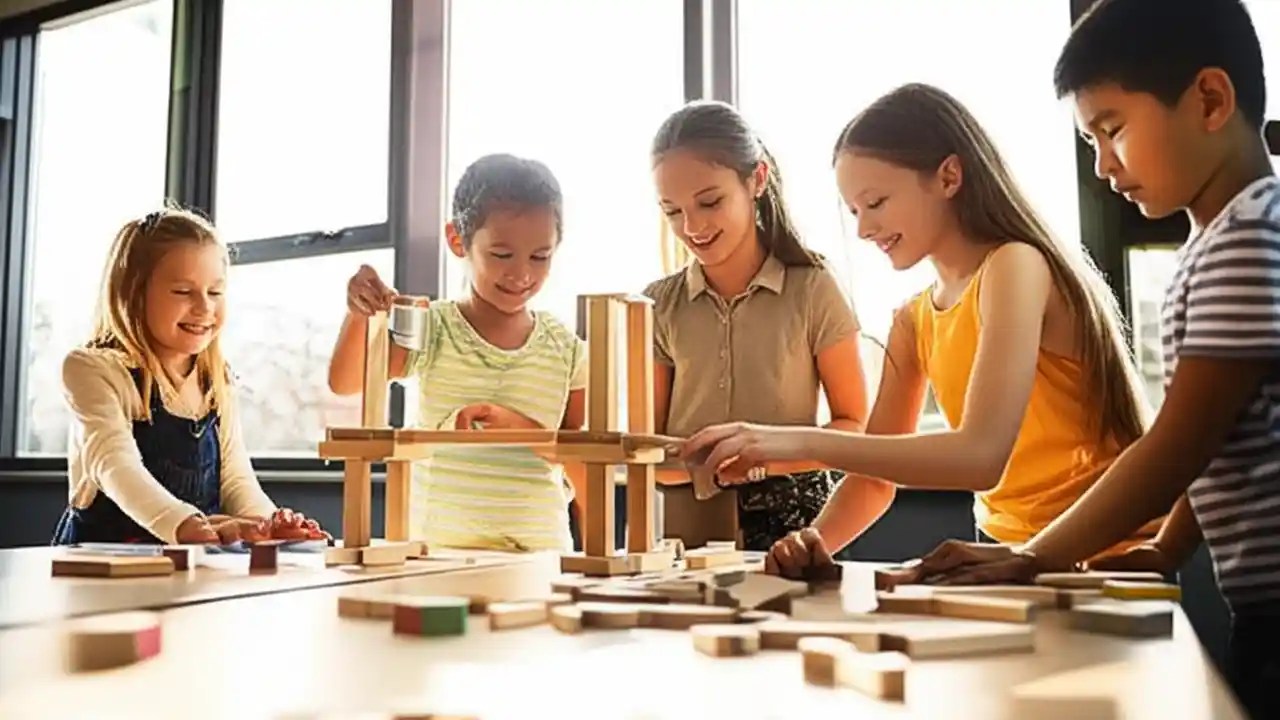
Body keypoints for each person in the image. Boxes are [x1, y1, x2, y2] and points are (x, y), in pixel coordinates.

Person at [882, 3, 1280, 718]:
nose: (1102, 166)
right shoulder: (1221, 240)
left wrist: (1033, 555)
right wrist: (1167, 547)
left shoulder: (1246, 243)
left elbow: (1177, 445)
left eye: (1113, 129)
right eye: (1090, 140)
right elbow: (1217, 441)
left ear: (1210, 101)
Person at [680, 83, 1163, 572]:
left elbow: (981, 457)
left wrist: (797, 440)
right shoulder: (913, 321)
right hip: (1015, 561)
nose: (864, 229)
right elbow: (873, 481)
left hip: (1109, 562)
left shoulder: (1014, 265)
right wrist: (807, 546)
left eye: (876, 203)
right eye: (854, 212)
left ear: (949, 176)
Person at [328, 153, 587, 553]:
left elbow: (583, 464)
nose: (522, 274)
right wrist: (360, 314)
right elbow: (345, 382)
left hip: (540, 553)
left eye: (540, 256)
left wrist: (519, 429)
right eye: (502, 254)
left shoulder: (566, 349)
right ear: (457, 240)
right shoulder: (434, 327)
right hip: (440, 552)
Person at [645, 99, 869, 551]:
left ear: (757, 179)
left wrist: (764, 458)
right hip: (686, 528)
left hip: (798, 522)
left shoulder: (813, 287)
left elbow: (854, 427)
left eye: (710, 202)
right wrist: (694, 466)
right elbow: (647, 448)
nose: (692, 226)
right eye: (672, 211)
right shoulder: (658, 305)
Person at [52, 206, 325, 546]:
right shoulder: (92, 369)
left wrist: (269, 527)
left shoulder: (217, 380)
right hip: (97, 561)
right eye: (183, 292)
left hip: (193, 562)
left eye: (215, 292)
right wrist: (181, 524)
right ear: (134, 294)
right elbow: (114, 465)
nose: (204, 307)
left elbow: (235, 480)